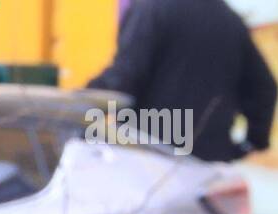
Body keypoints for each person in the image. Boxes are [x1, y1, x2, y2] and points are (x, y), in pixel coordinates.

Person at [87, 0, 277, 162]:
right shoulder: (229, 19)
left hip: (150, 156)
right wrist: (253, 141)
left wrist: (81, 106)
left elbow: (124, 77)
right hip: (208, 160)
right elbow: (264, 88)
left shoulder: (151, 8)